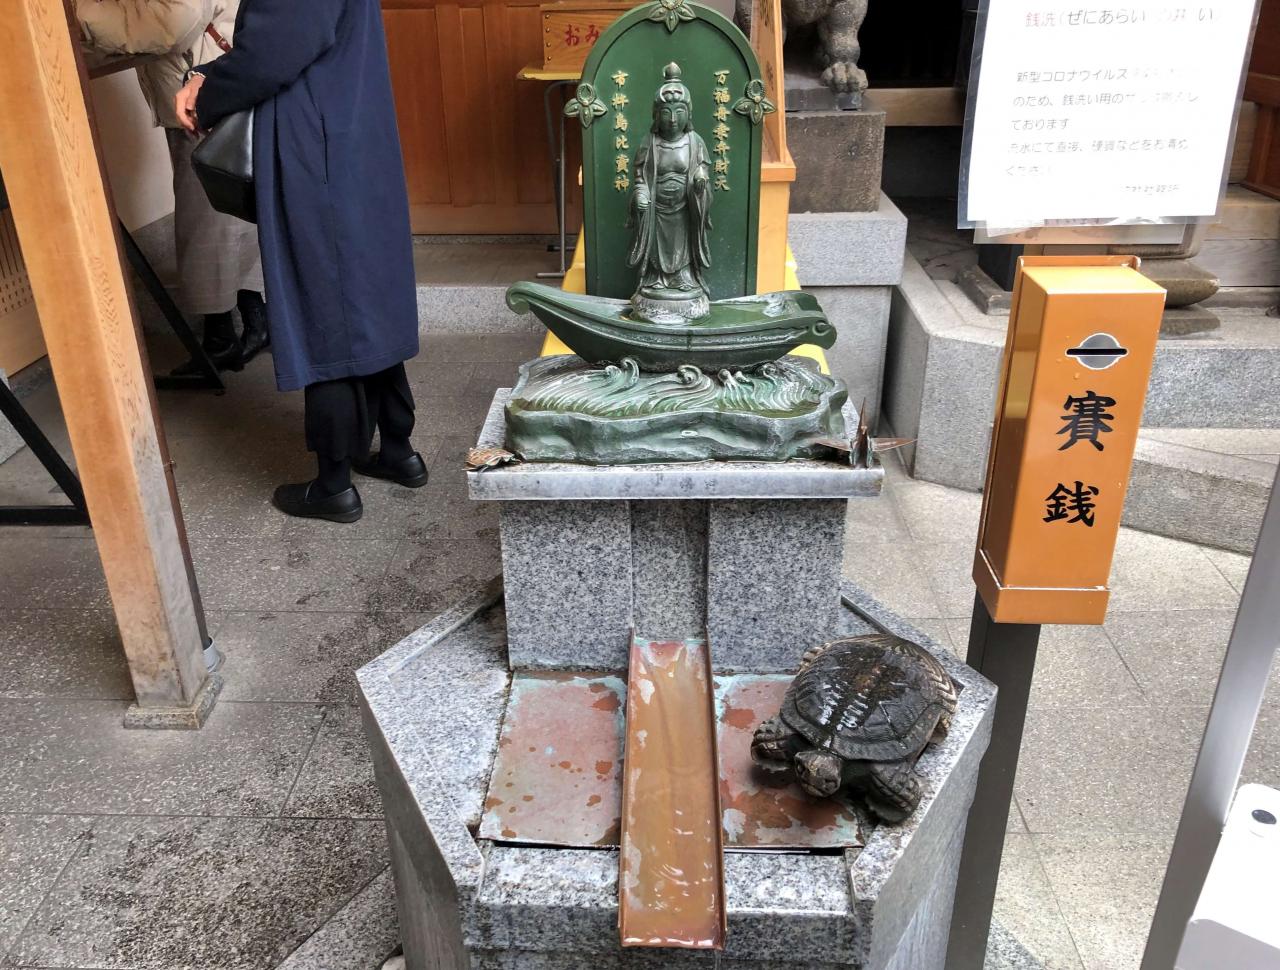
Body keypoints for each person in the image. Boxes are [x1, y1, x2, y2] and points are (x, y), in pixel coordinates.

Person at [174, 0, 427, 523]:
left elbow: (273, 53)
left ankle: (334, 482)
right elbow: (297, 38)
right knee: (363, 292)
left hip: (314, 144)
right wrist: (208, 74)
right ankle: (399, 451)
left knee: (324, 302)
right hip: (351, 131)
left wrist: (207, 93)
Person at [76, 0, 270, 372]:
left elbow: (172, 20)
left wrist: (78, 14)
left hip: (203, 95)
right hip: (223, 84)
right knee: (234, 213)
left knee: (206, 221)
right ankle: (255, 321)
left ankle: (220, 339)